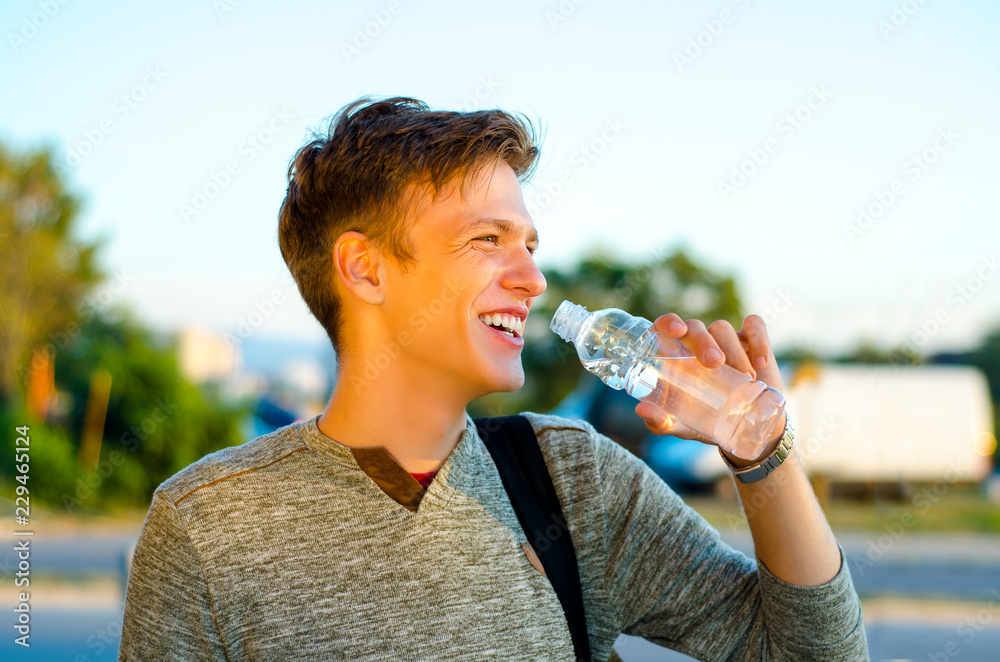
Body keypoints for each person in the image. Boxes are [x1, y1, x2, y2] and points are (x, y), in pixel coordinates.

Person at [119, 97, 869, 661]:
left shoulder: (575, 483)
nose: (534, 279)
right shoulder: (206, 527)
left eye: (531, 245)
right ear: (365, 268)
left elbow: (816, 655)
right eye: (489, 240)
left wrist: (762, 455)